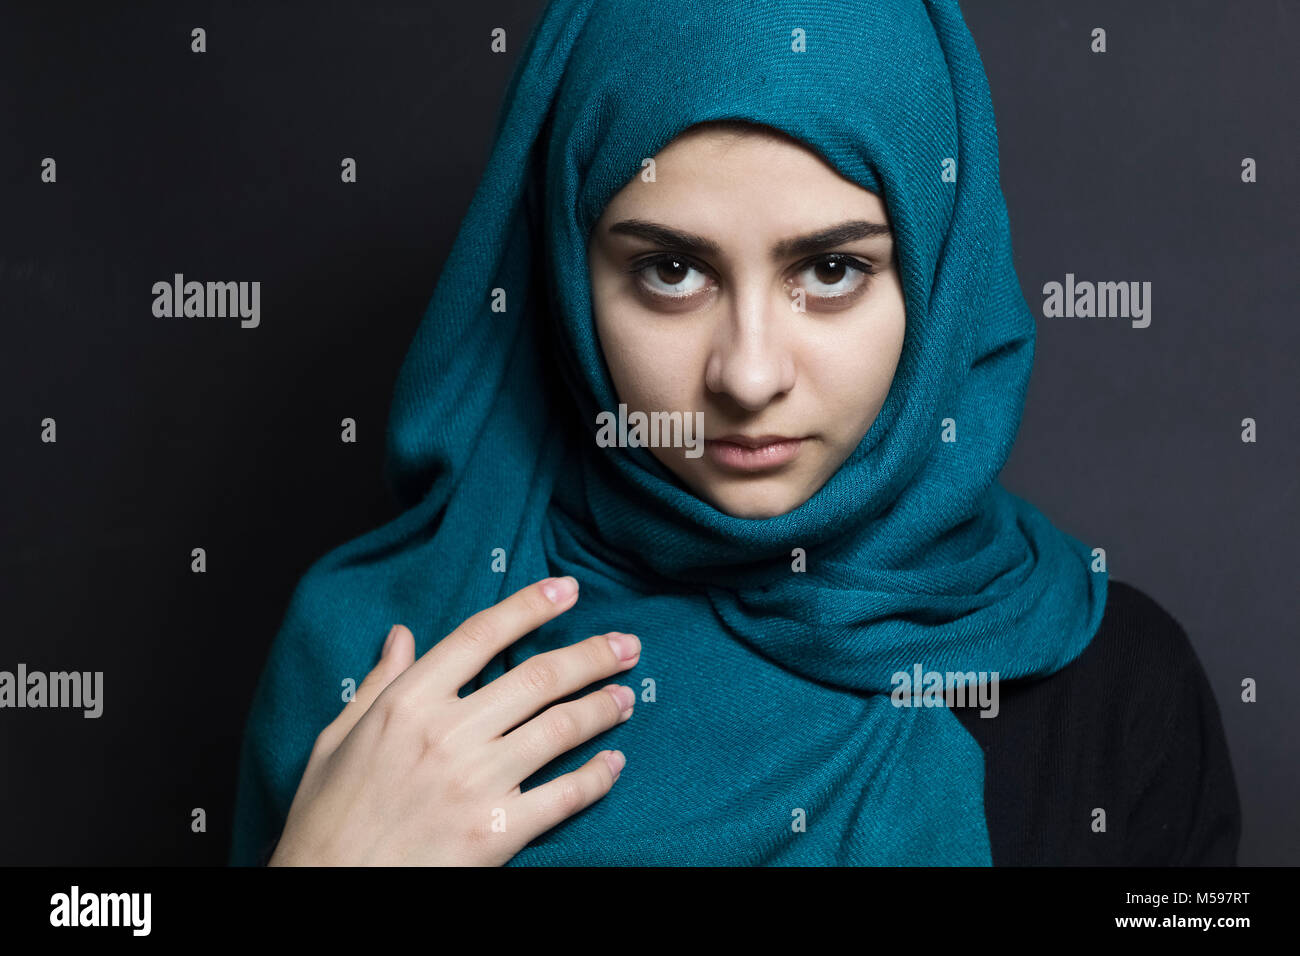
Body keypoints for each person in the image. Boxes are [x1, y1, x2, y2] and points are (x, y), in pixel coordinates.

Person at [230, 0, 1240, 866]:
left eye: (832, 270)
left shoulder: (1113, 697)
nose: (748, 374)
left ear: (938, 274)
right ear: (565, 276)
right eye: (670, 271)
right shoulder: (376, 666)